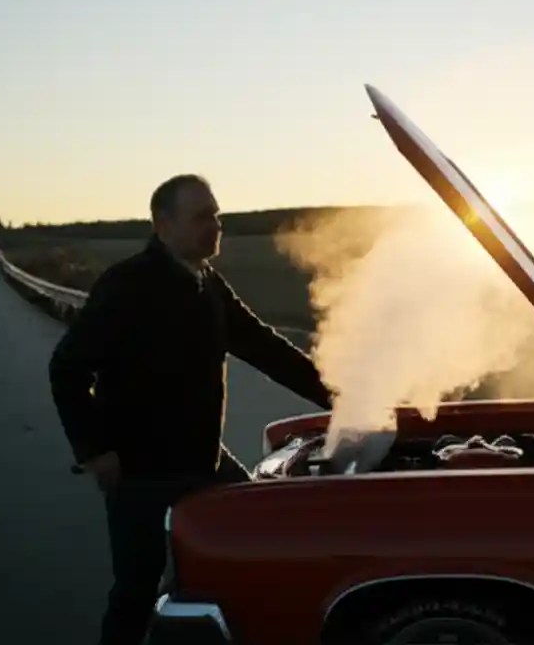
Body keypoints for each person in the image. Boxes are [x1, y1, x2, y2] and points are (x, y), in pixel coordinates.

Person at [48, 174, 333, 645]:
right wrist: (95, 450)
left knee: (261, 526)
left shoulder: (207, 283)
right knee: (136, 590)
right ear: (163, 225)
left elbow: (265, 347)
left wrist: (339, 397)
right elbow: (67, 369)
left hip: (203, 458)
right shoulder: (127, 284)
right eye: (202, 217)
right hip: (142, 469)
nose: (216, 225)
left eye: (217, 215)